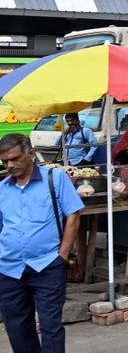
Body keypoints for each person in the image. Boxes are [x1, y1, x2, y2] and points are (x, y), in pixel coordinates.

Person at [0, 132, 84, 353]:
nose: (10, 165)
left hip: (47, 265)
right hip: (9, 269)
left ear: (31, 153)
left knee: (50, 326)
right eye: (4, 161)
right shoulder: (2, 189)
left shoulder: (55, 179)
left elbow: (73, 215)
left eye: (15, 158)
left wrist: (62, 257)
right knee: (17, 327)